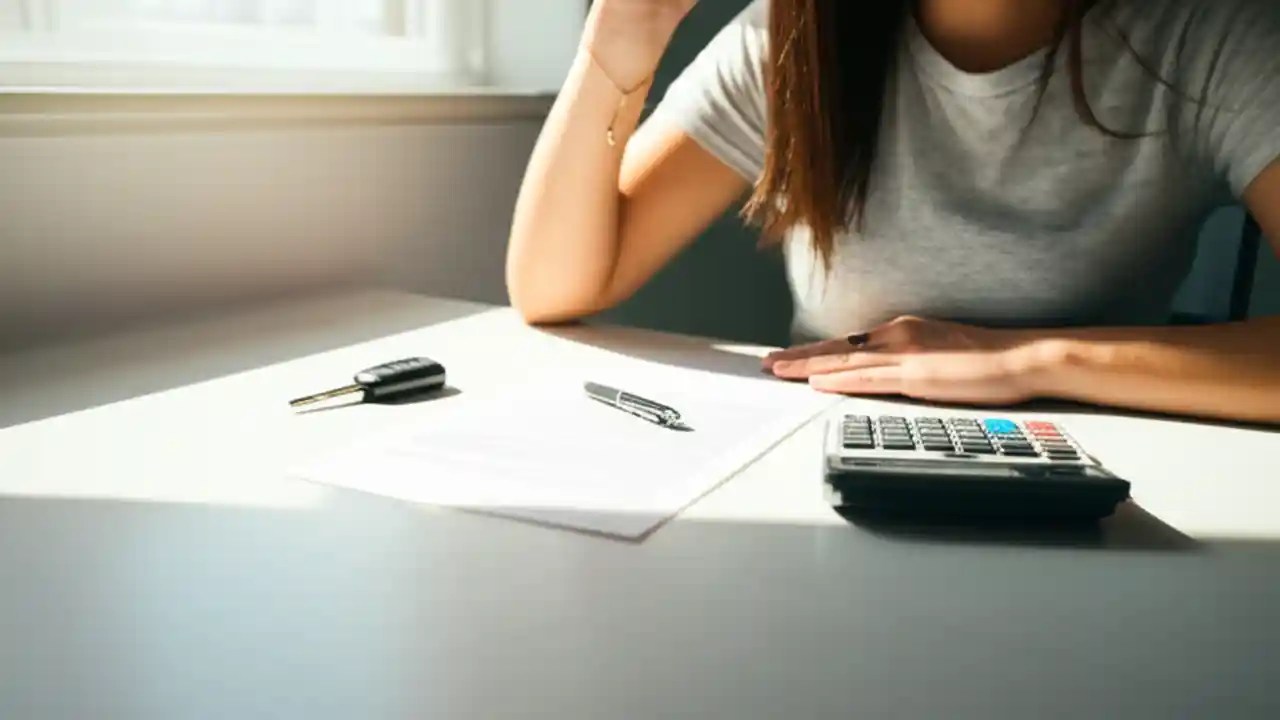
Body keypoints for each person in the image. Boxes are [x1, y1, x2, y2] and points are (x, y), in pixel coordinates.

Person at [505, 0, 1280, 424]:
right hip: (822, 461)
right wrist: (621, 35)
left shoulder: (1210, 37)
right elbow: (554, 287)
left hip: (1102, 475)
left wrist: (1026, 360)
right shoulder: (790, 38)